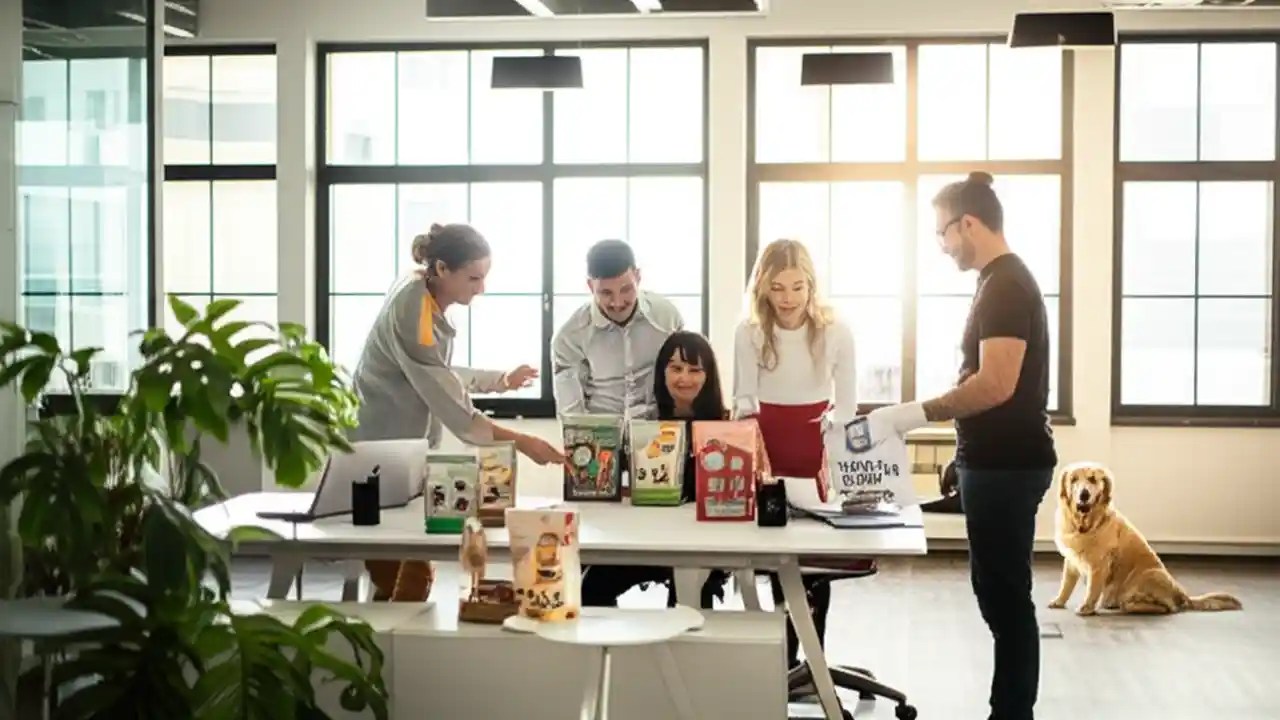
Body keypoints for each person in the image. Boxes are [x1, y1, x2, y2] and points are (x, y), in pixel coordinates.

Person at [869, 171, 1056, 720]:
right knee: (997, 594)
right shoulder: (996, 282)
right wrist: (961, 451)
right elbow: (995, 387)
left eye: (943, 233)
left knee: (1004, 599)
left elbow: (996, 385)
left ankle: (1011, 713)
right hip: (992, 461)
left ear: (968, 223)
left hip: (1009, 467)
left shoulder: (1006, 286)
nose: (942, 246)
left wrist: (914, 414)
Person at [351, 222, 566, 602]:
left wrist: (499, 380)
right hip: (379, 452)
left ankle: (389, 646)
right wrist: (523, 441)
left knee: (408, 571)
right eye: (473, 278)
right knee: (407, 572)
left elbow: (434, 372)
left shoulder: (420, 290)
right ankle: (389, 652)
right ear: (441, 270)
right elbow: (458, 413)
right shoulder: (412, 314)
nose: (481, 288)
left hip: (399, 450)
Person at [732, 238, 858, 672]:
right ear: (763, 287)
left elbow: (846, 406)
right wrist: (754, 460)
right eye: (778, 288)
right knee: (773, 556)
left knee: (814, 560)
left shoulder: (835, 330)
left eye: (797, 287)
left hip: (816, 446)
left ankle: (813, 660)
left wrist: (830, 452)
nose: (788, 299)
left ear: (812, 285)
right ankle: (785, 660)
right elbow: (744, 403)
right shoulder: (748, 332)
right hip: (768, 447)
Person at [579, 331, 731, 609]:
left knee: (691, 599)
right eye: (675, 368)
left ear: (708, 376)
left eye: (694, 370)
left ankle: (684, 652)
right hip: (647, 539)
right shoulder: (644, 423)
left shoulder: (726, 427)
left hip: (702, 543)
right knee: (590, 589)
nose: (684, 378)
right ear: (662, 372)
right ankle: (611, 647)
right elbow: (616, 480)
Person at [551, 239, 685, 420]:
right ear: (591, 286)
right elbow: (571, 412)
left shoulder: (666, 317)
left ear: (637, 277)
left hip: (658, 428)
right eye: (606, 293)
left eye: (626, 289)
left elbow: (684, 378)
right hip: (600, 431)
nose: (618, 302)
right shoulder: (570, 336)